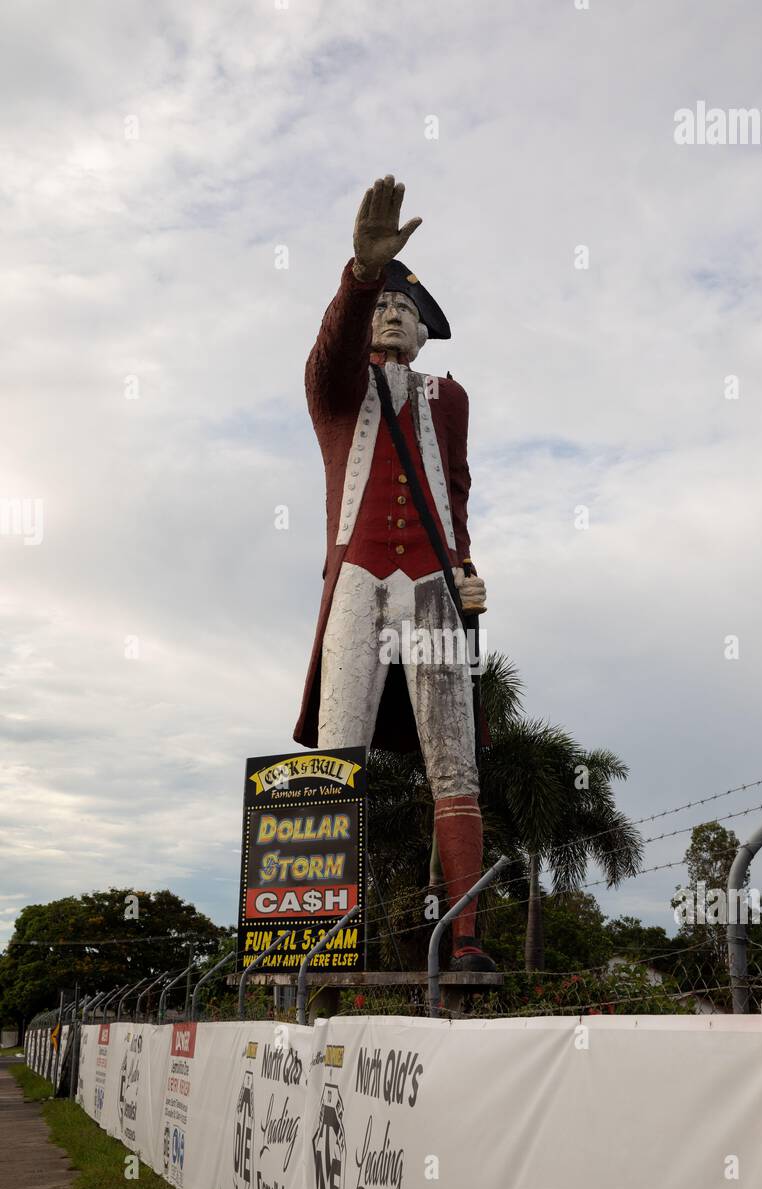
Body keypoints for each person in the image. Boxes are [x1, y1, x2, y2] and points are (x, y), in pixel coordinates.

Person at [294, 175, 494, 971]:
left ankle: (469, 941)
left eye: (403, 312)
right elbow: (327, 360)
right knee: (339, 757)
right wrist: (360, 272)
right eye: (384, 308)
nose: (391, 317)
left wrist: (469, 569)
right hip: (357, 582)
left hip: (434, 586)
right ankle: (322, 940)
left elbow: (459, 490)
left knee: (454, 759)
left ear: (423, 336)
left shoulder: (449, 397)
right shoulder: (340, 395)